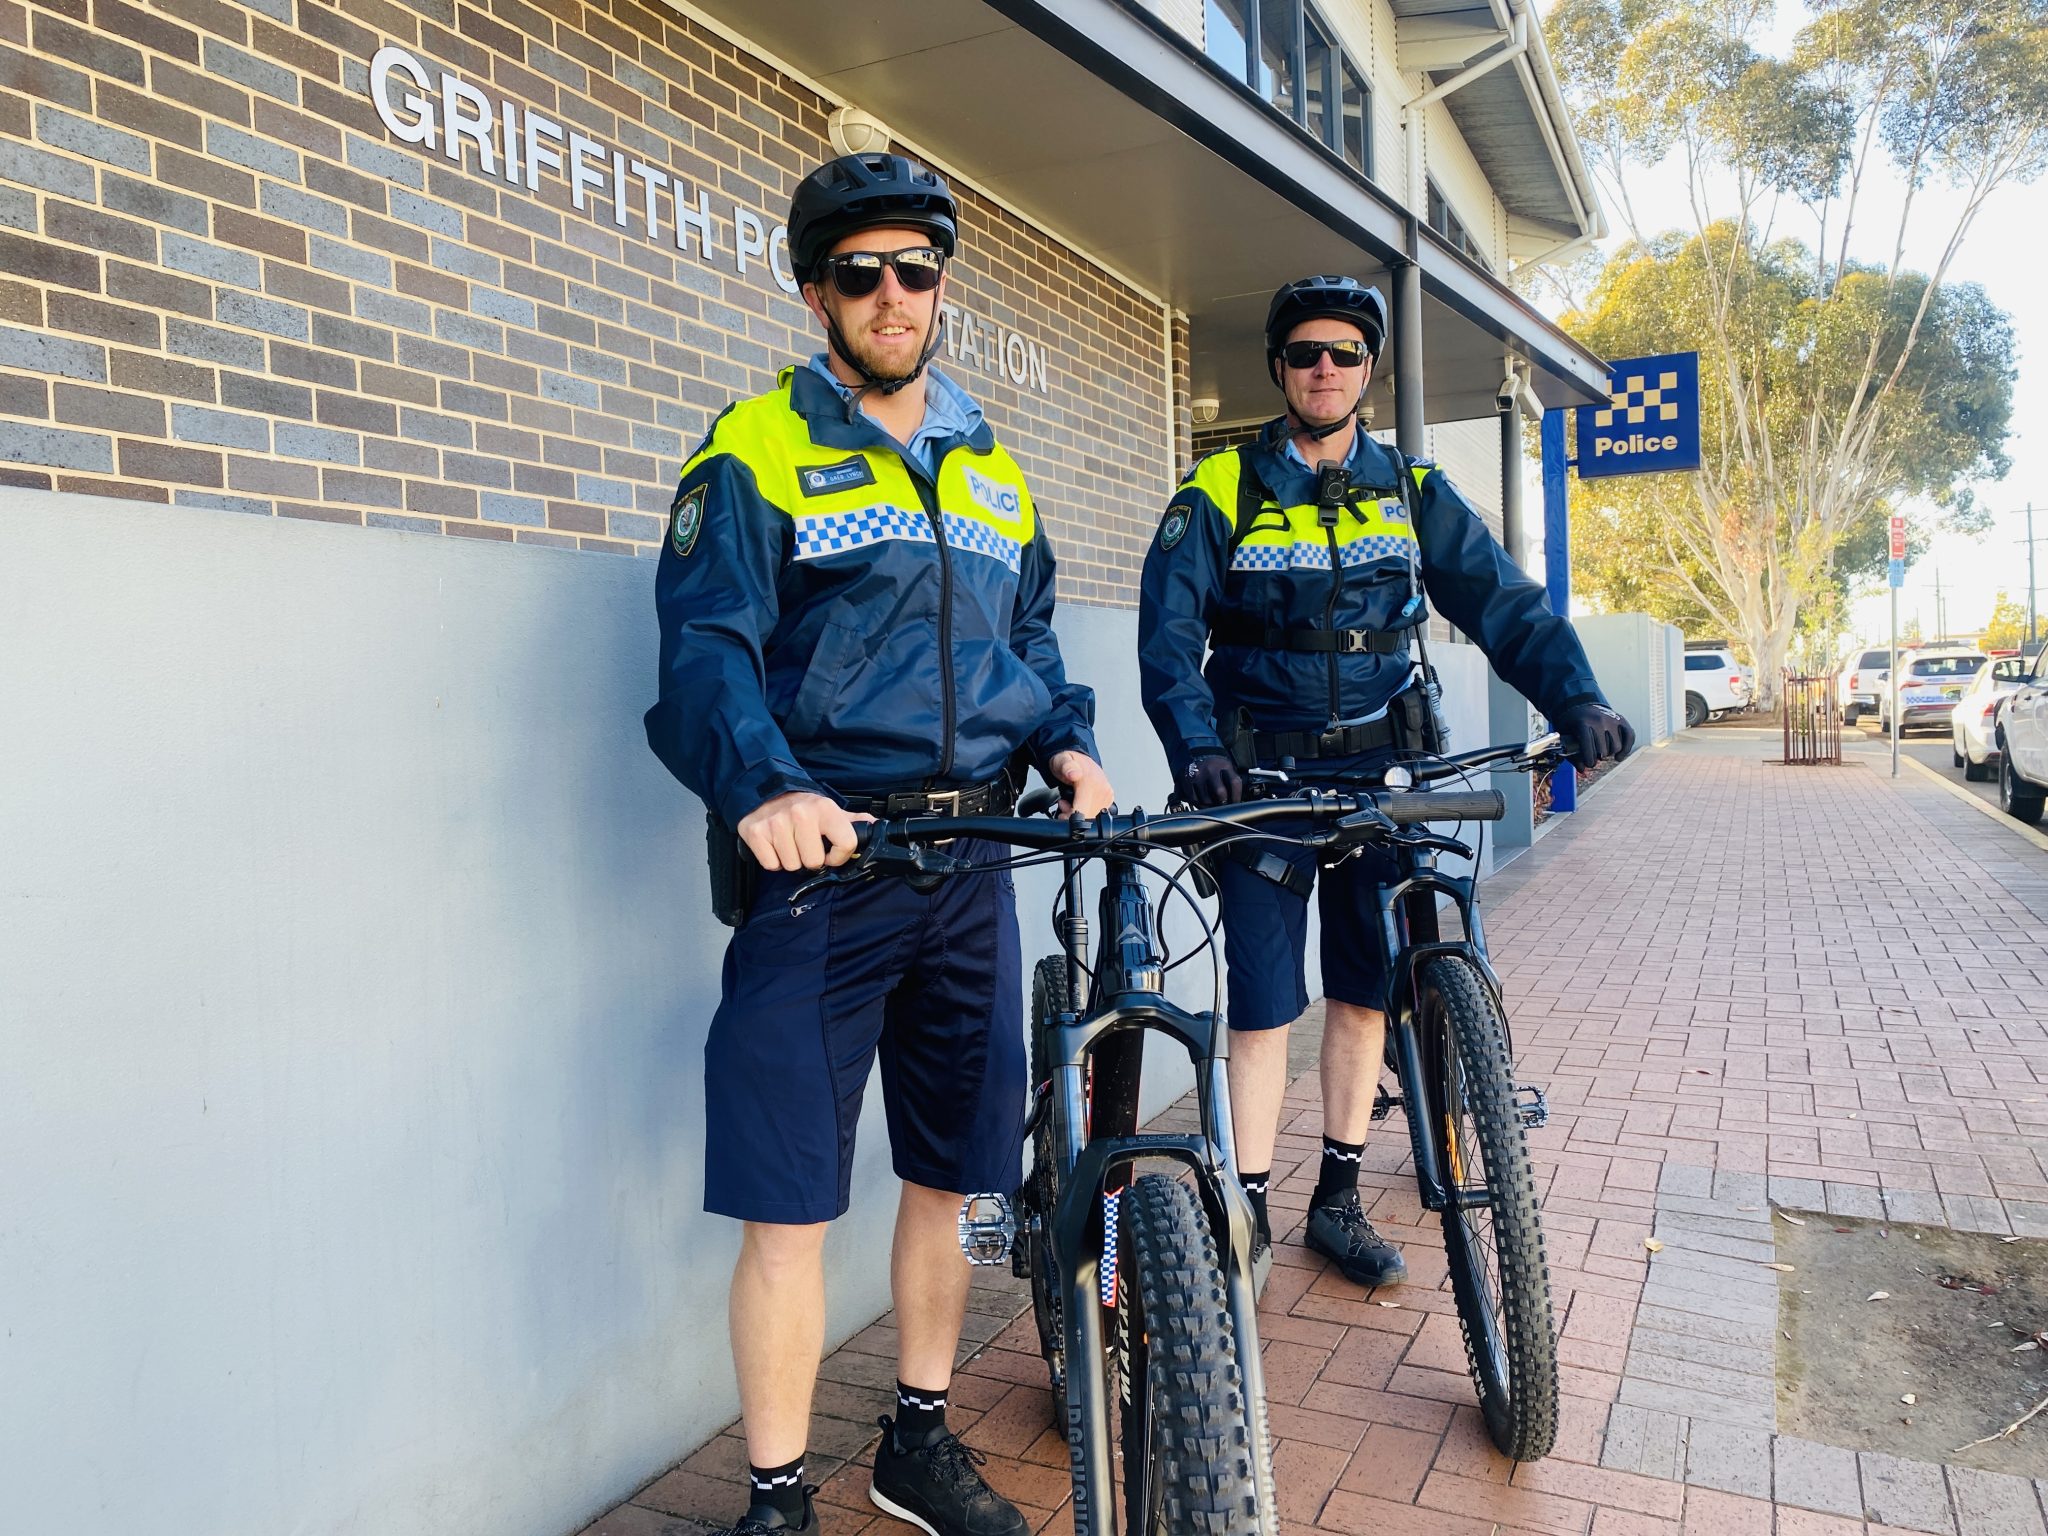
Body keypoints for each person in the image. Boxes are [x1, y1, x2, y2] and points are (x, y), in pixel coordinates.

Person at [645, 152, 1114, 1536]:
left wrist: (1067, 746)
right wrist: (764, 791)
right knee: (789, 1202)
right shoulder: (753, 450)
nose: (893, 295)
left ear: (942, 287)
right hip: (823, 872)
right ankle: (778, 1494)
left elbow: (1027, 649)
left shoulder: (991, 468)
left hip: (972, 866)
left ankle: (920, 1431)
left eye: (916, 270)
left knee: (965, 1182)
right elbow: (706, 657)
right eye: (861, 273)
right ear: (815, 293)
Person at [1136, 274, 1632, 1291]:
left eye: (1343, 354)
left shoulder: (1413, 492)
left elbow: (1505, 606)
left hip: (1382, 770)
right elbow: (1166, 640)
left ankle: (1336, 1199)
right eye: (1305, 352)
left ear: (1368, 370)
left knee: (1363, 993)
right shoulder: (1216, 493)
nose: (1324, 368)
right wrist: (1193, 747)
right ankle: (1248, 1211)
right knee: (1265, 1008)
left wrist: (1574, 698)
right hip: (1262, 776)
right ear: (1278, 368)